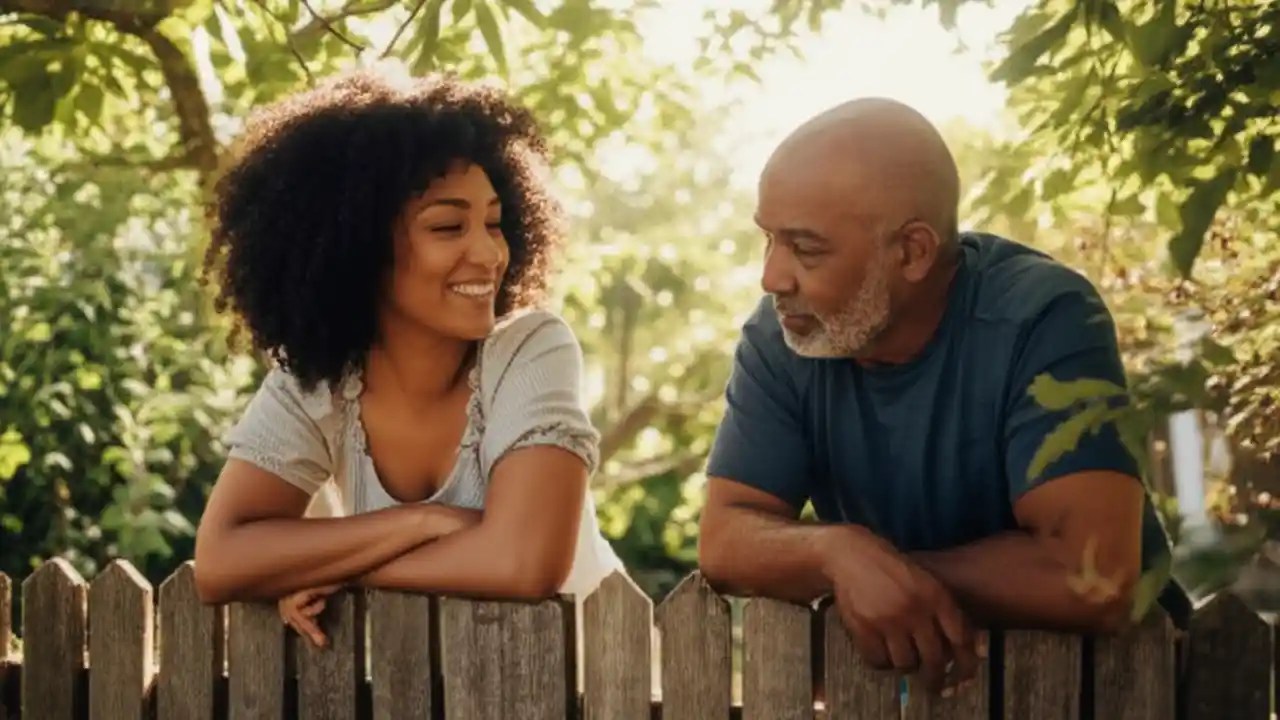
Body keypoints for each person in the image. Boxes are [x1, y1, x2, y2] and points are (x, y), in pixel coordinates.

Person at [696, 98, 1186, 695]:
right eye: (768, 239)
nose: (772, 276)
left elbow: (1093, 578)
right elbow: (723, 542)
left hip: (1111, 693)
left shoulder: (1043, 316)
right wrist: (839, 555)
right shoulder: (783, 335)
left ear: (913, 252)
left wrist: (886, 575)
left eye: (806, 248)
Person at [193, 65, 623, 648]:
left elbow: (524, 563)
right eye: (448, 226)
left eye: (494, 223)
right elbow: (221, 561)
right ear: (357, 247)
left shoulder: (530, 348)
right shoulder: (315, 381)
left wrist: (335, 567)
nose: (488, 253)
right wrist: (417, 522)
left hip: (590, 688)